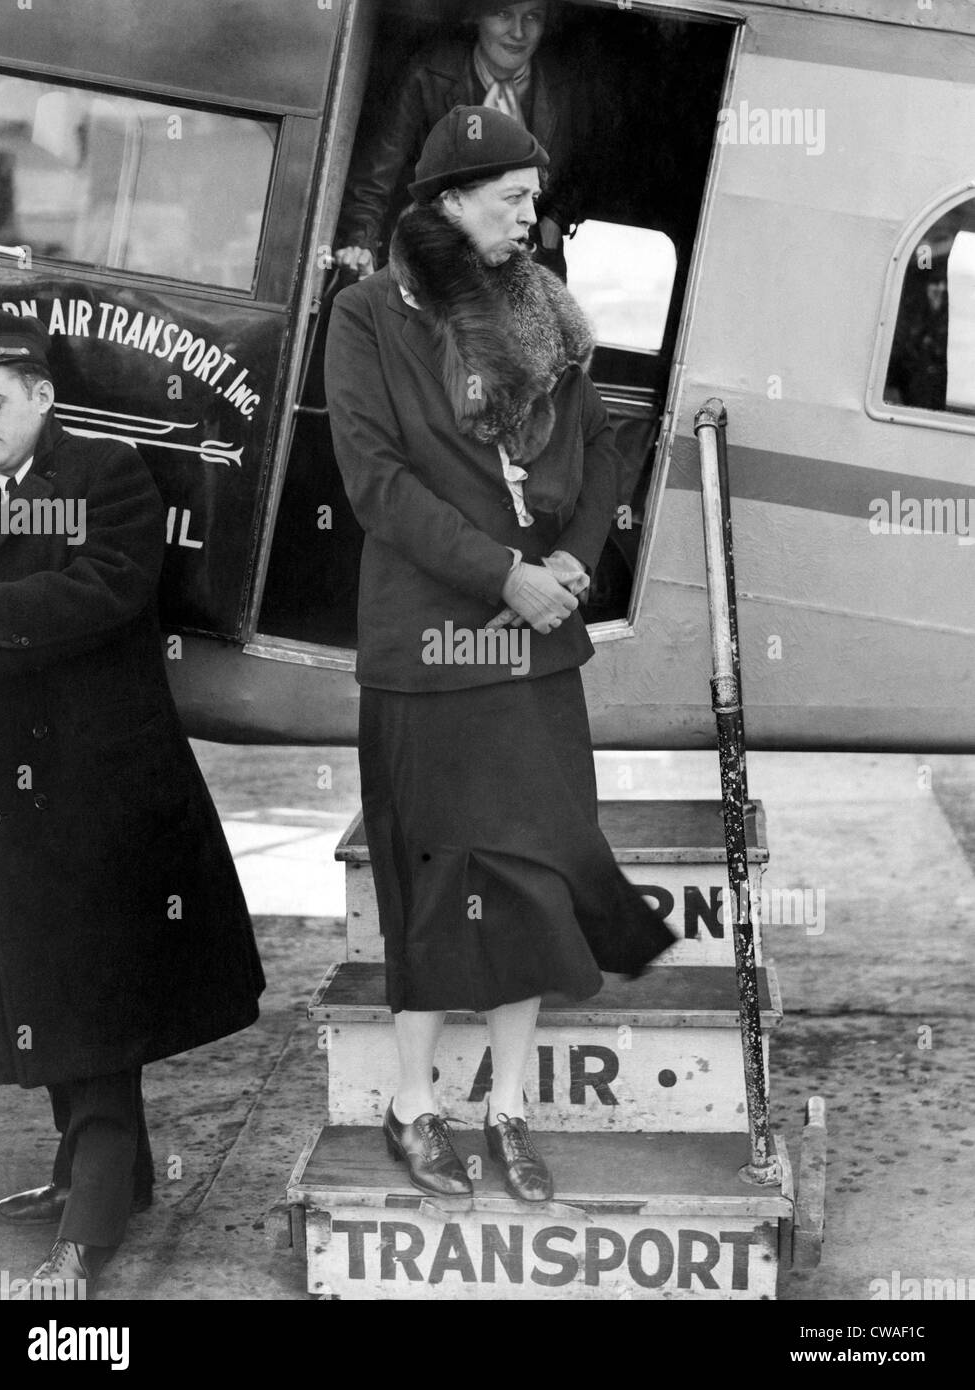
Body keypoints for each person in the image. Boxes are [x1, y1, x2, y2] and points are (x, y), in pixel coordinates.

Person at [324, 107, 674, 1205]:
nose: (534, 213)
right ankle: (413, 1103)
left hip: (533, 653)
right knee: (435, 892)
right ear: (447, 202)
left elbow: (604, 450)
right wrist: (503, 576)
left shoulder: (548, 316)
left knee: (531, 886)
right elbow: (376, 482)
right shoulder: (368, 315)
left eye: (533, 194)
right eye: (512, 195)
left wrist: (570, 558)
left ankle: (508, 1107)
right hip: (429, 652)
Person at [0, 310, 265, 1297]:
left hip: (101, 791)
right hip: (13, 795)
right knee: (51, 999)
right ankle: (104, 1175)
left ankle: (85, 1237)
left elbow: (106, 589)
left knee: (92, 1011)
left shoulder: (105, 474)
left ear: (42, 396)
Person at [335, 1, 579, 281]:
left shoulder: (562, 90)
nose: (518, 32)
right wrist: (360, 242)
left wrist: (554, 221)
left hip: (522, 257)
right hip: (435, 251)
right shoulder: (429, 74)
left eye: (533, 17)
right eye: (502, 14)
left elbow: (582, 163)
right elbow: (377, 174)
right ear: (477, 16)